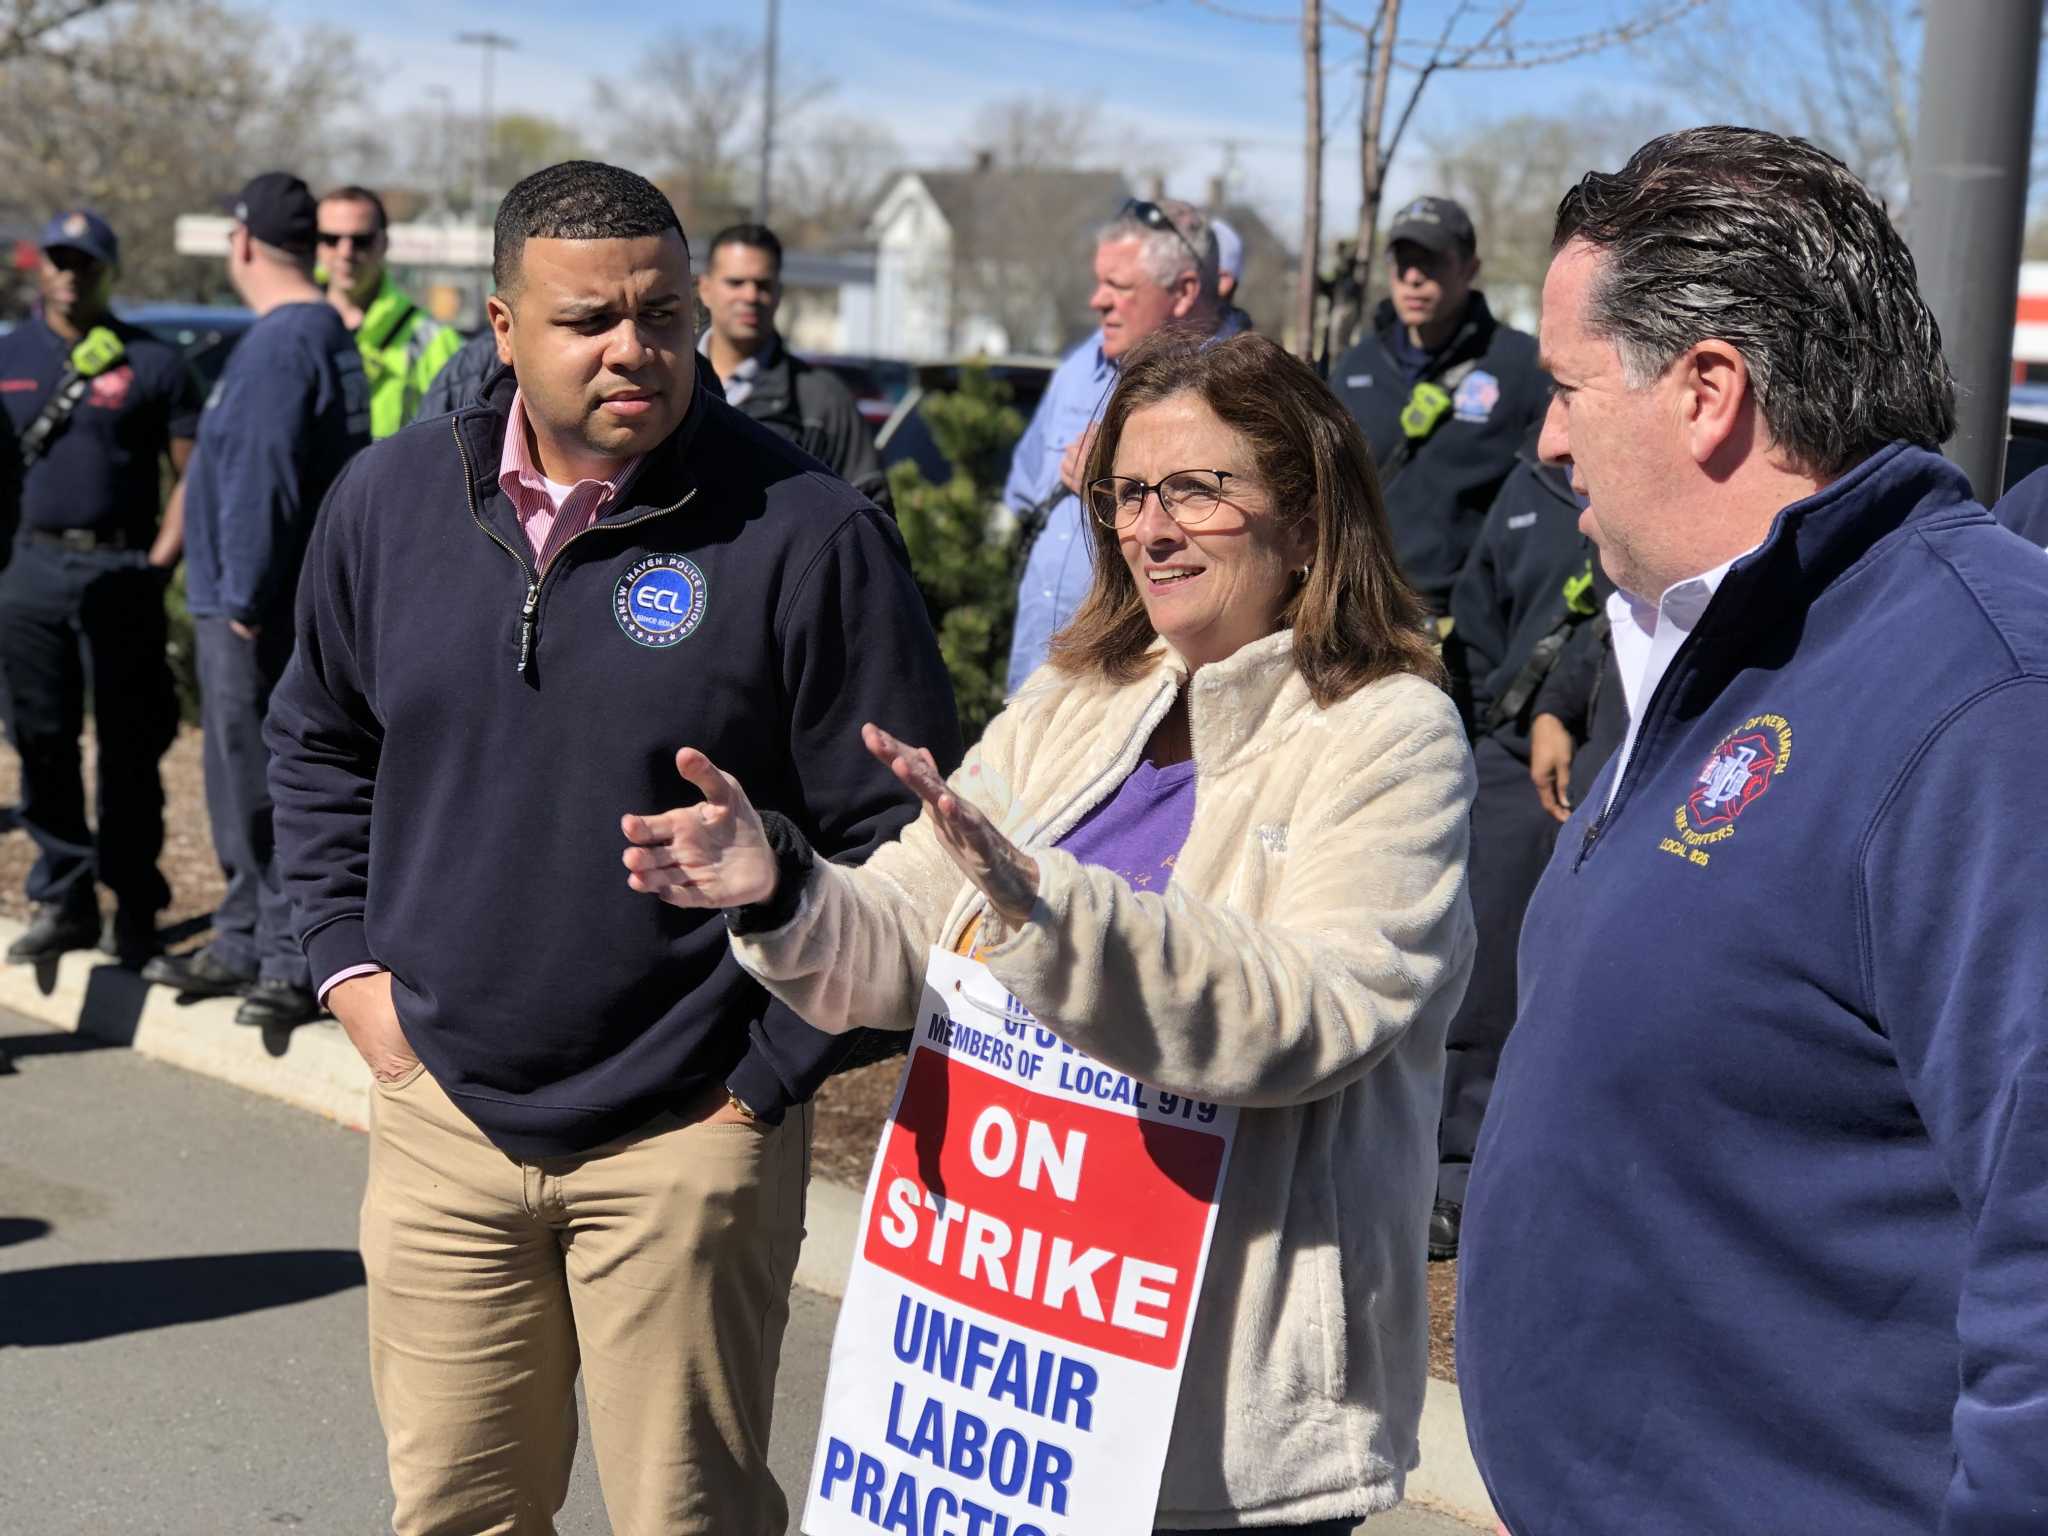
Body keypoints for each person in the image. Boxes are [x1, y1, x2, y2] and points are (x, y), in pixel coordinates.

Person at [622, 329, 1477, 1533]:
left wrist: (1044, 910)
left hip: (1217, 1422)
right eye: (1128, 494)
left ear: (1303, 512)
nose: (1150, 529)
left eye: (1195, 489)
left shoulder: (1387, 733)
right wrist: (781, 889)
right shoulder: (1077, 697)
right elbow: (907, 932)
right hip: (1008, 1373)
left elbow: (1315, 1013)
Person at [264, 160, 960, 1535]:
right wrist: (350, 974)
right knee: (454, 1512)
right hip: (442, 1121)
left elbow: (908, 852)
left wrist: (763, 1083)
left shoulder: (808, 532)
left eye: (662, 314)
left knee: (687, 1520)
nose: (633, 347)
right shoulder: (390, 502)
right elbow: (318, 742)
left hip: (687, 1138)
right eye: (588, 320)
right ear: (501, 326)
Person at [1459, 126, 2048, 1535]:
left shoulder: (1986, 704)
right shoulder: (1722, 646)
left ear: (1708, 391)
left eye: (1569, 388)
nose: (1547, 439)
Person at [138, 174, 369, 1027]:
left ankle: (284, 957)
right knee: (239, 778)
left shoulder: (284, 342)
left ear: (241, 243)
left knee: (268, 785)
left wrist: (242, 592)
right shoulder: (304, 332)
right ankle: (242, 940)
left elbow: (265, 477)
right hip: (260, 599)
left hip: (257, 608)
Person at [0, 209, 200, 965]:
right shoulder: (9, 354)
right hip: (28, 572)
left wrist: (159, 564)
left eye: (86, 261)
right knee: (39, 739)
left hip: (122, 573)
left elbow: (193, 477)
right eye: (59, 258)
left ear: (111, 270)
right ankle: (66, 898)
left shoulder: (154, 362)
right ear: (41, 266)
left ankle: (135, 904)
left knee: (129, 747)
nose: (70, 273)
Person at [1428, 425, 1591, 1258]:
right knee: (1482, 972)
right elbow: (1481, 614)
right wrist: (1502, 723)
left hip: (1608, 754)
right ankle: (1453, 1178)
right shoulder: (1532, 484)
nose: (1557, 425)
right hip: (1511, 756)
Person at [1004, 198, 1246, 694]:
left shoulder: (1239, 390)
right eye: (1100, 282)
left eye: (1120, 287)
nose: (1098, 301)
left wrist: (1121, 487)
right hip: (1034, 680)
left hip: (1139, 693)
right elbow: (1022, 496)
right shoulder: (1079, 369)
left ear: (1184, 291)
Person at [1333, 197, 1548, 621]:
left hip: (1467, 624)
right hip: (1362, 615)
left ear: (1470, 268)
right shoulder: (1356, 367)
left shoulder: (1522, 368)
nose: (1413, 278)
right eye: (1403, 262)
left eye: (1430, 261)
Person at [695, 222, 889, 509]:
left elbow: (870, 514)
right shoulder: (665, 382)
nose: (750, 296)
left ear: (779, 292)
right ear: (705, 288)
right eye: (736, 282)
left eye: (763, 285)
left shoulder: (823, 402)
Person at [317, 185, 463, 439]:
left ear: (384, 243)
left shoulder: (433, 340)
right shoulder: (293, 326)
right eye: (331, 239)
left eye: (361, 241)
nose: (345, 252)